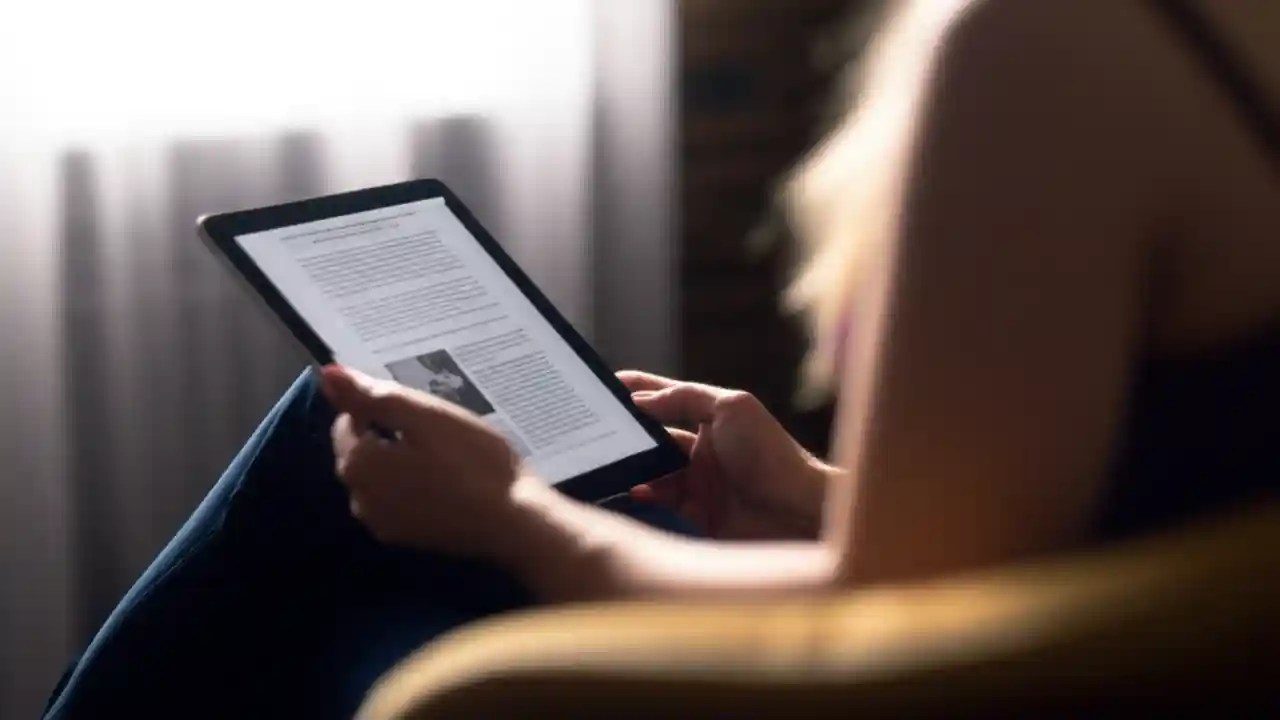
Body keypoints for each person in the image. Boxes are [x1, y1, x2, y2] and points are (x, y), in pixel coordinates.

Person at [44, 0, 1278, 717]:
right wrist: (809, 493)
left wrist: (529, 521)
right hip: (1121, 639)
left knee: (350, 504)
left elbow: (889, 646)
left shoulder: (1047, 50)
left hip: (981, 679)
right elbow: (1149, 504)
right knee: (362, 490)